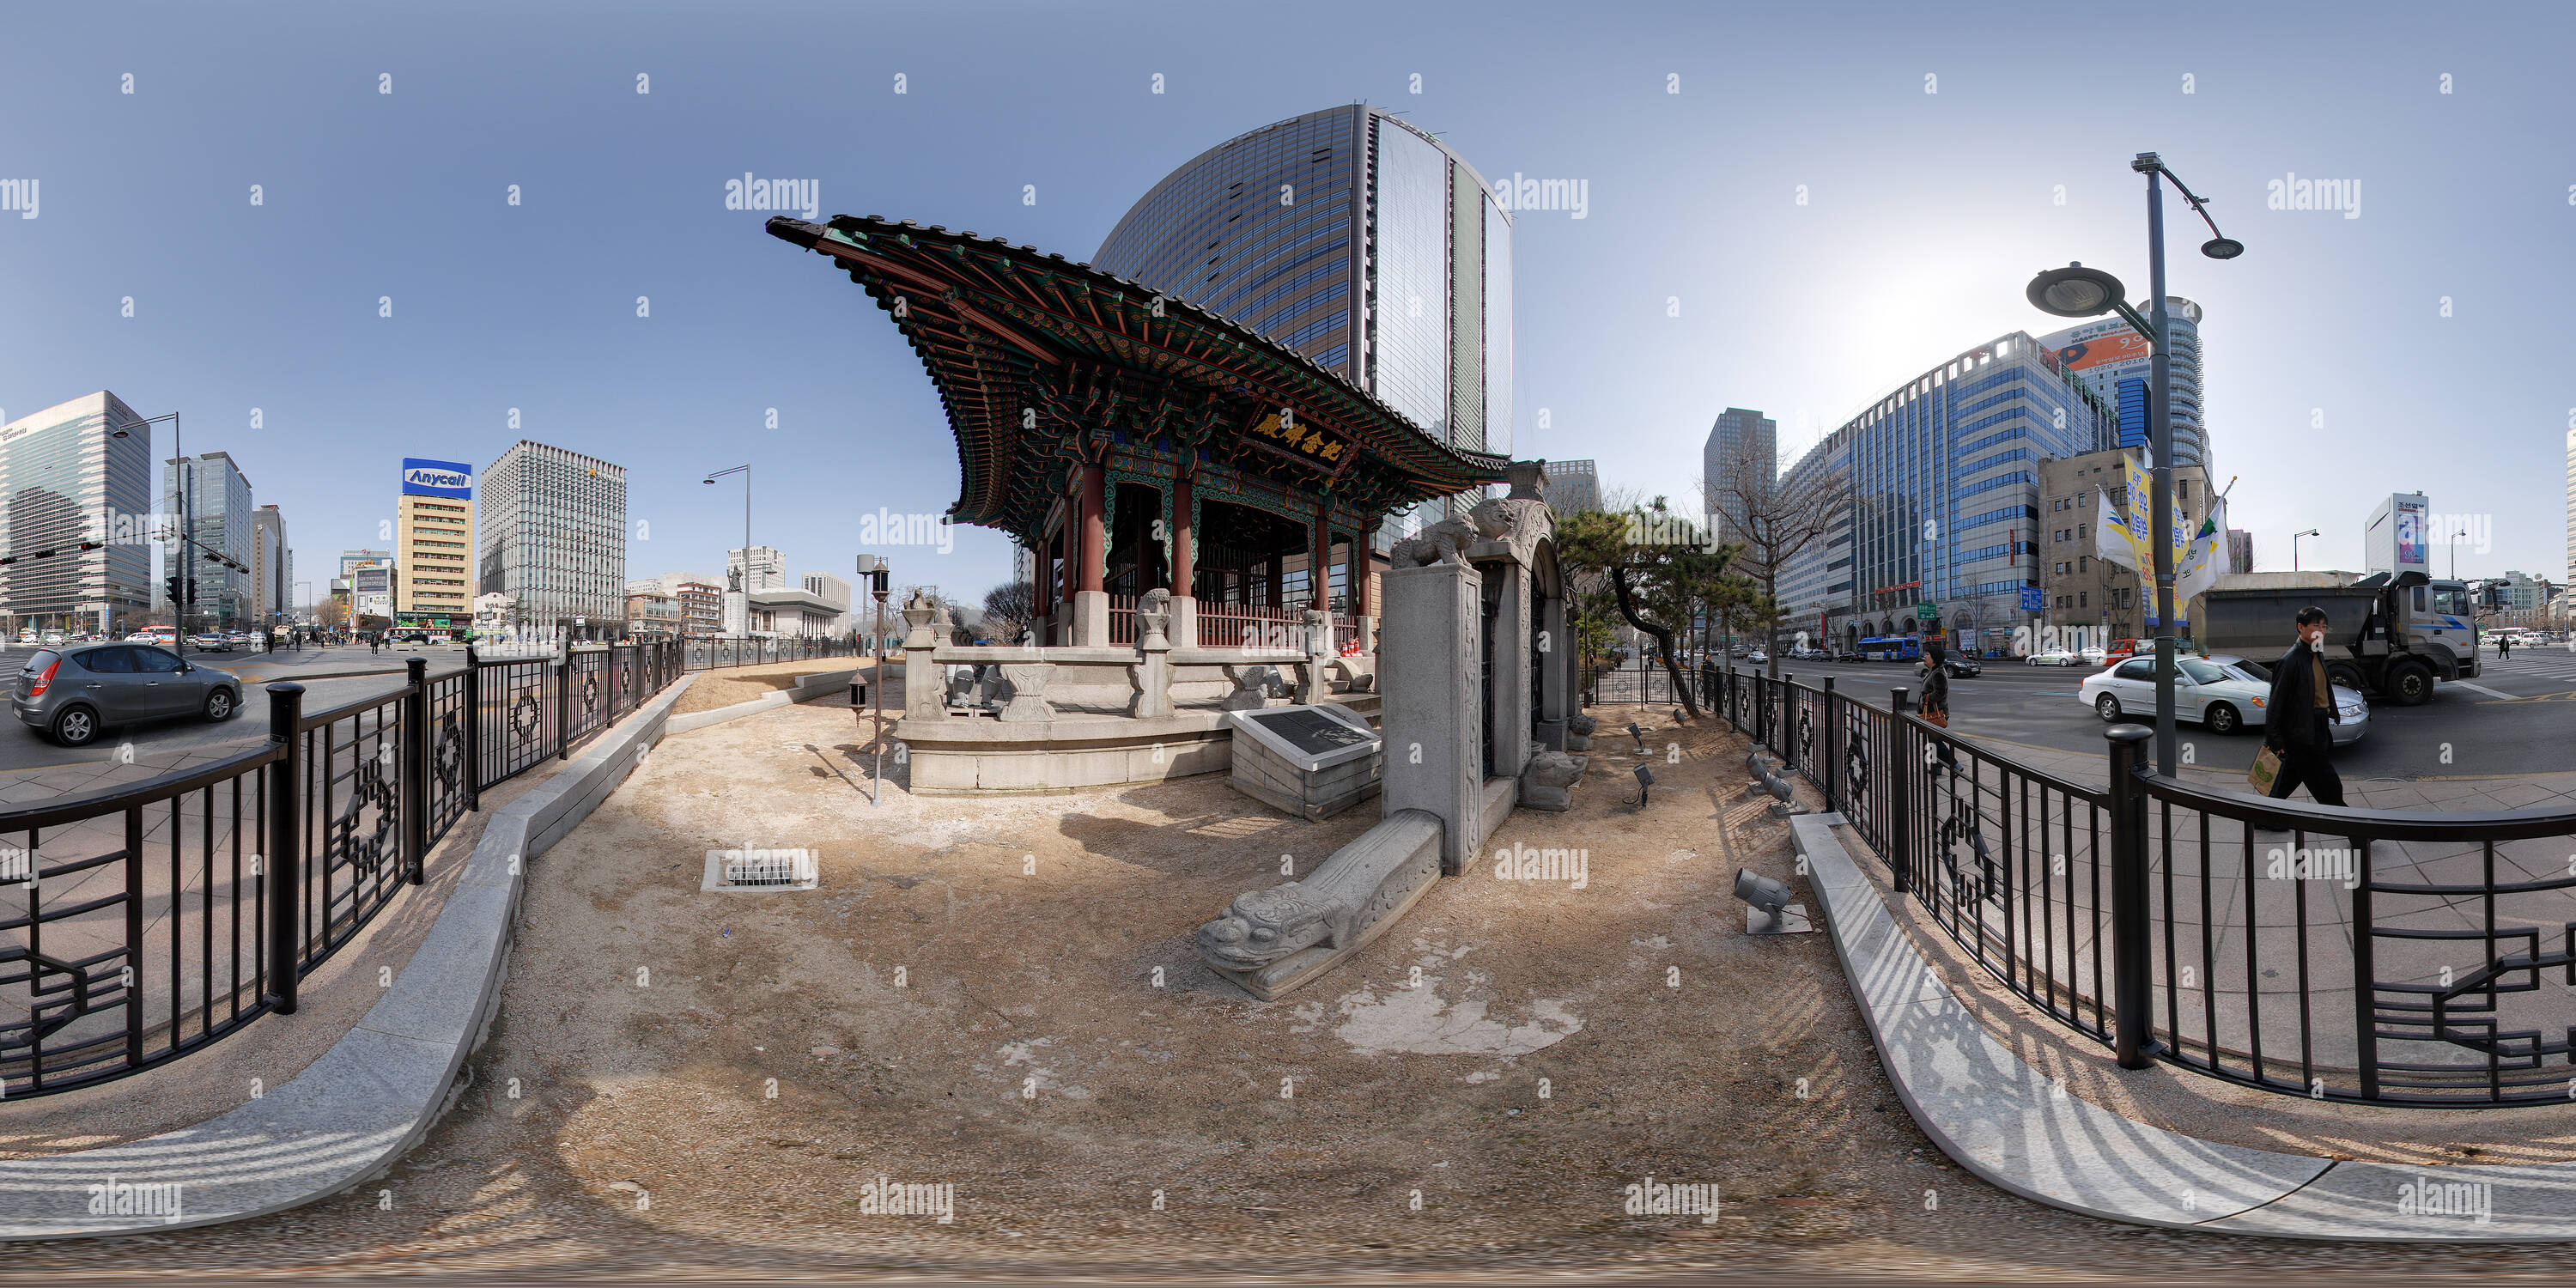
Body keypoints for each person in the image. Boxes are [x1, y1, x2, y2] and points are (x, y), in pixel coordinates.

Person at [2260, 606, 2346, 807]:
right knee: (2328, 785)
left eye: (2324, 626)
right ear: (2301, 627)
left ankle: (2264, 818)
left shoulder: (2316, 652)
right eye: (2316, 625)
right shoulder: (2290, 660)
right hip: (2301, 733)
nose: (2321, 631)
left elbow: (2322, 689)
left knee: (2288, 778)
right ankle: (2355, 832)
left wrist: (2332, 711)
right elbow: (2276, 703)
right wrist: (2274, 740)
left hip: (2317, 725)